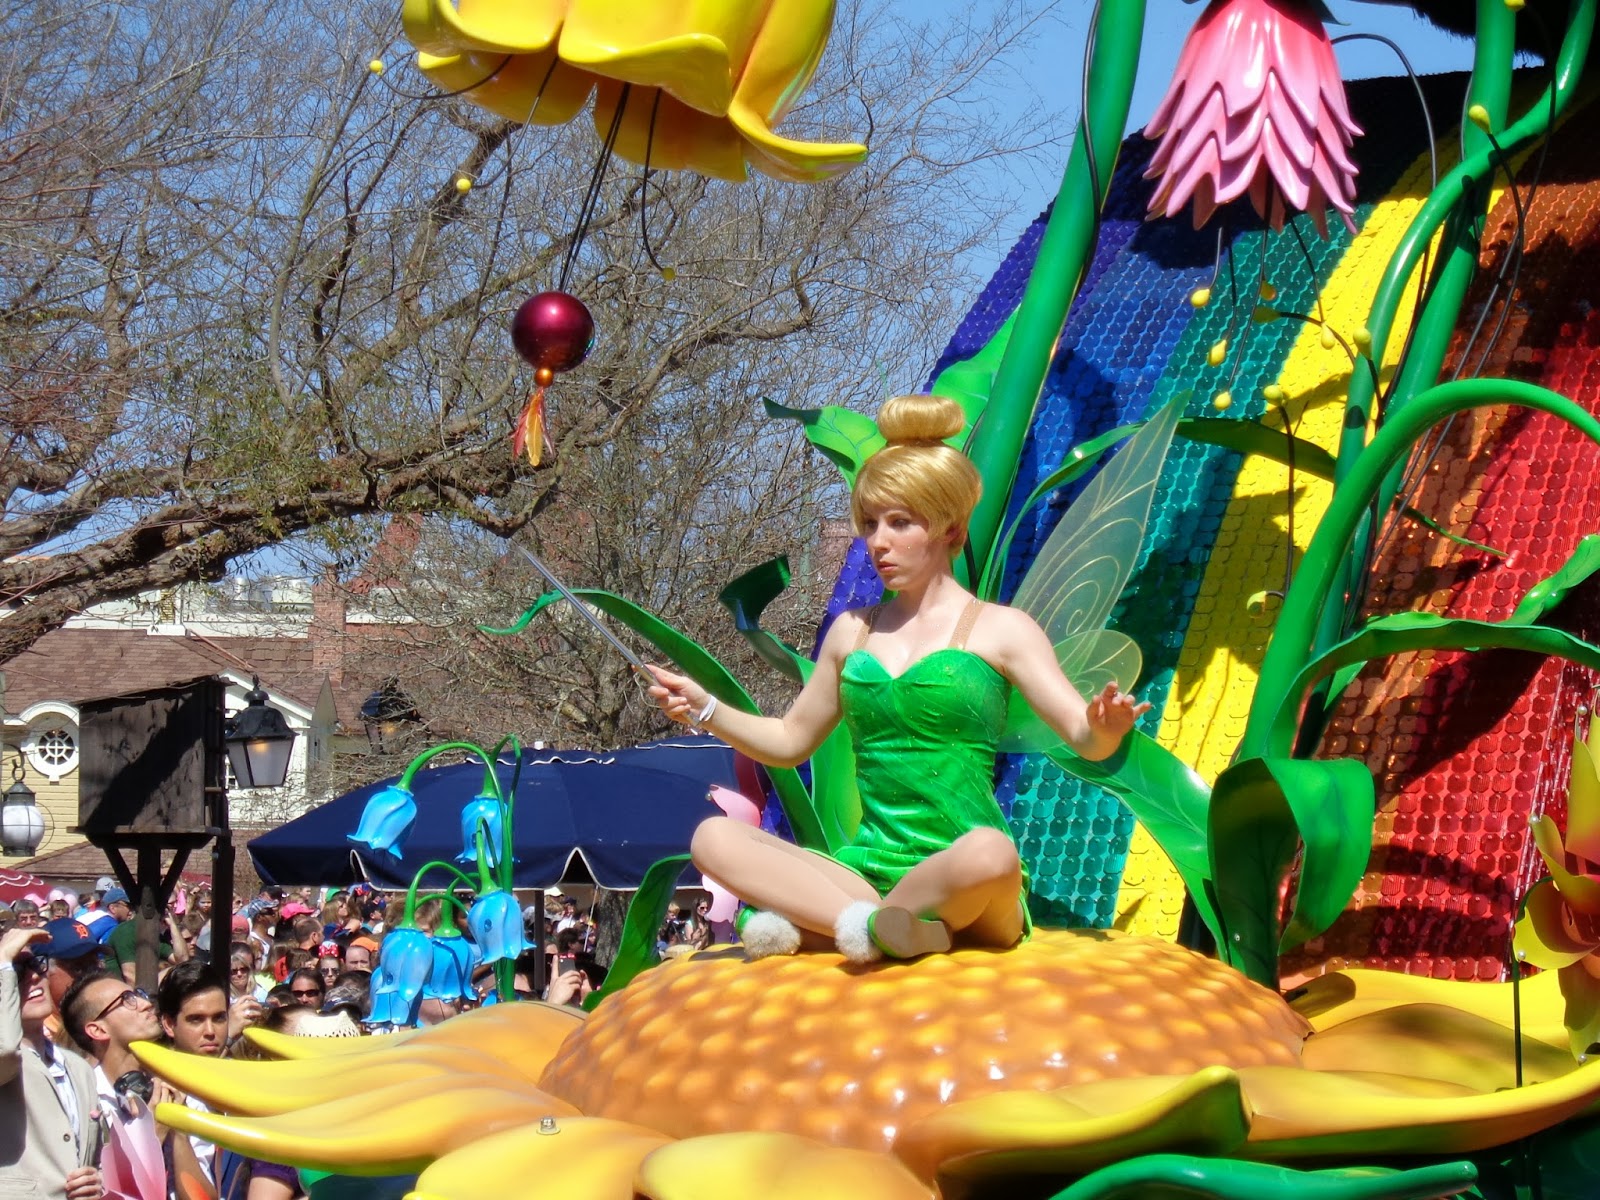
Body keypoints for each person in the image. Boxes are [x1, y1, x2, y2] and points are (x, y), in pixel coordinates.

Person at [647, 394, 1148, 963]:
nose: (877, 541)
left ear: (948, 528)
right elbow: (789, 743)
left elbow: (1084, 738)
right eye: (870, 523)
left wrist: (1105, 725)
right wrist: (705, 708)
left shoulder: (1003, 629)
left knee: (990, 851)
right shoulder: (850, 633)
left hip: (967, 882)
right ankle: (879, 928)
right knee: (713, 838)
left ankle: (854, 929)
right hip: (867, 877)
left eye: (899, 522)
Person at [0, 927, 105, 1200]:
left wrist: (98, 1180)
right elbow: (5, 1050)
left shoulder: (78, 1068)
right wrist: (2, 962)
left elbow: (96, 1158)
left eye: (36, 964)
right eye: (17, 970)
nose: (34, 976)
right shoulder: (7, 1058)